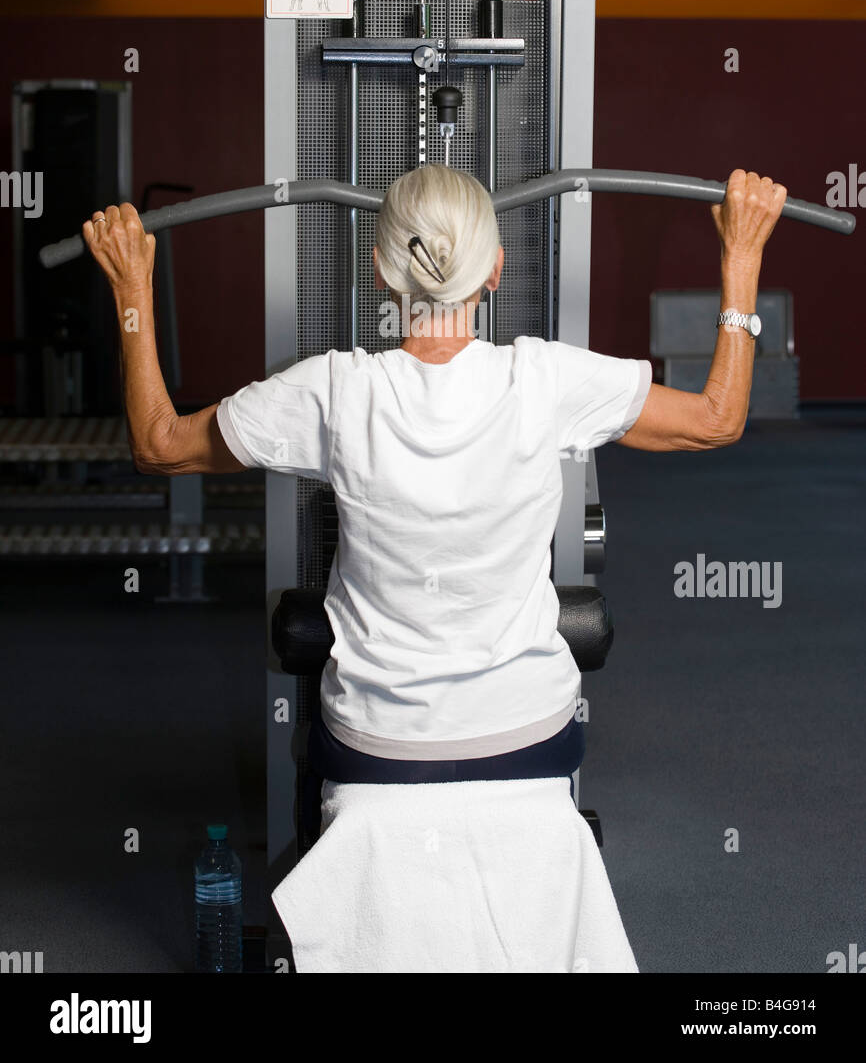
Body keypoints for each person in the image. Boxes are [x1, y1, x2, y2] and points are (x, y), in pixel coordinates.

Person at [81, 164, 786, 840]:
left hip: (377, 744)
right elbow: (718, 419)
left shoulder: (331, 391)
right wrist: (743, 257)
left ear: (383, 272)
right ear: (496, 270)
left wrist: (132, 291)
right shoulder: (548, 380)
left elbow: (160, 445)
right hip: (530, 734)